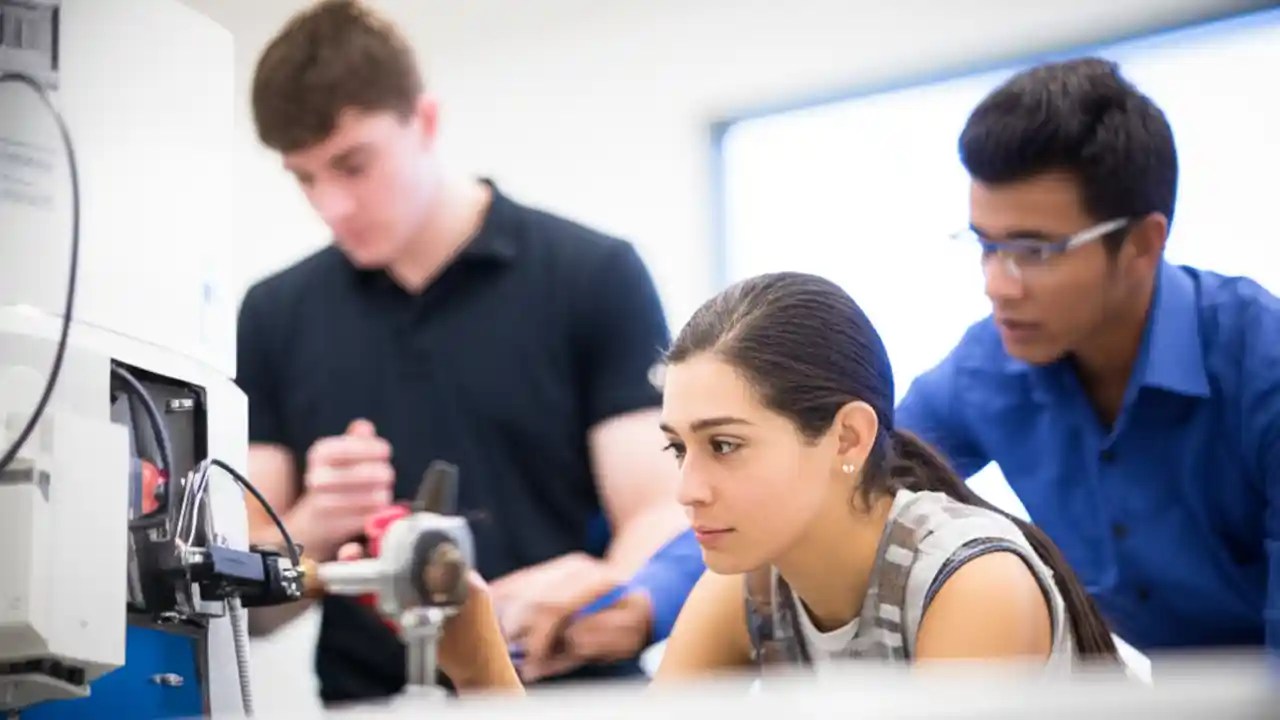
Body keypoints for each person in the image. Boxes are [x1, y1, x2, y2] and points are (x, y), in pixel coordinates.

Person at [234, 0, 691, 702]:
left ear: (426, 121)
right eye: (304, 177)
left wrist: (606, 601)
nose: (331, 206)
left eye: (353, 165)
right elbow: (253, 611)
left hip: (571, 698)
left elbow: (661, 513)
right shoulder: (274, 314)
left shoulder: (593, 274)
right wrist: (311, 525)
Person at [404, 272, 1122, 694]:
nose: (688, 487)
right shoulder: (751, 580)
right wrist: (481, 668)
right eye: (677, 447)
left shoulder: (973, 582)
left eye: (724, 445)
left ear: (848, 437)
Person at [896, 57, 1280, 657]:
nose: (998, 284)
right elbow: (847, 483)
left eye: (1034, 249)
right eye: (986, 245)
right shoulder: (984, 369)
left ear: (1143, 244)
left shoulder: (1263, 364)